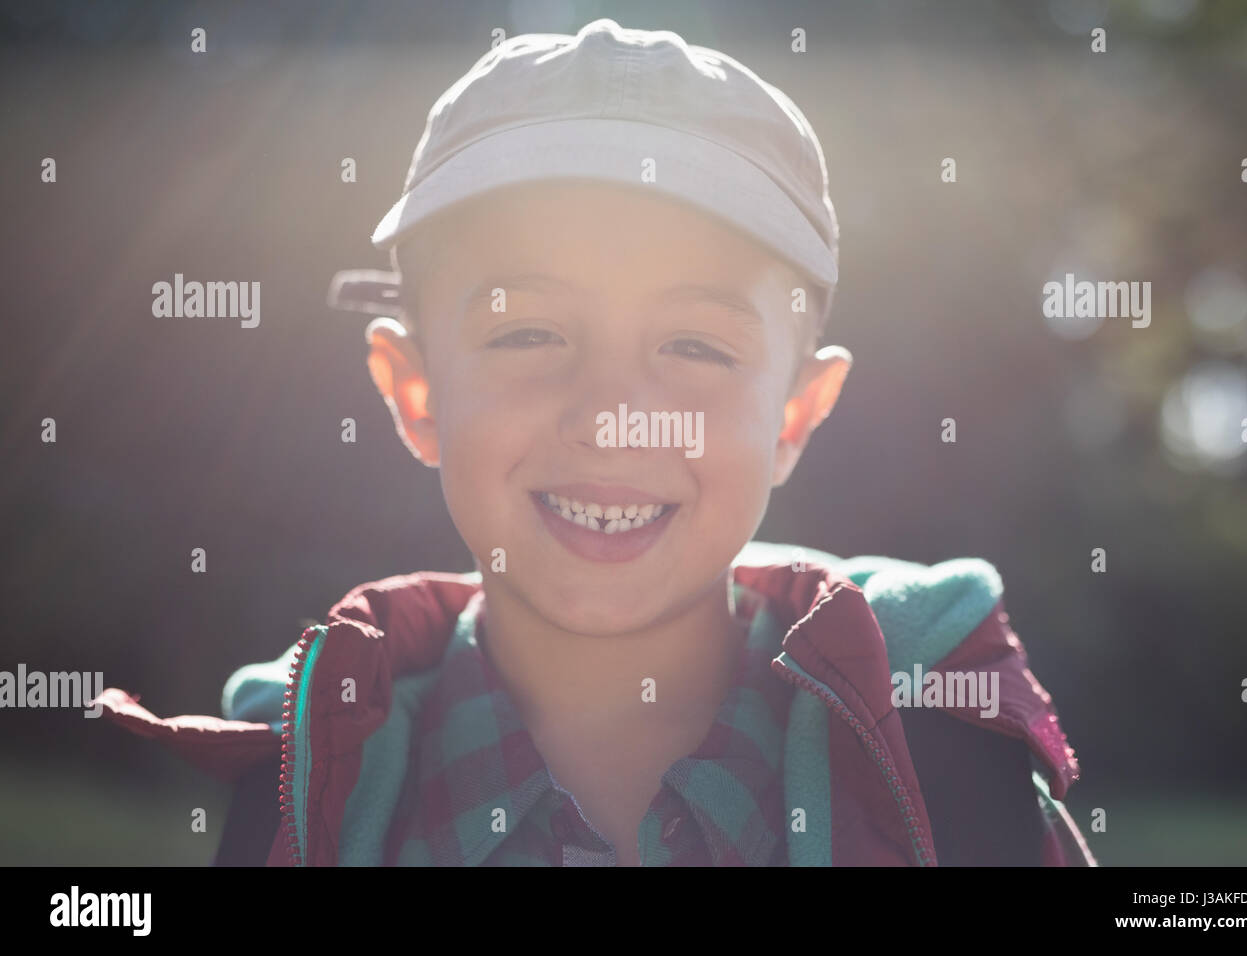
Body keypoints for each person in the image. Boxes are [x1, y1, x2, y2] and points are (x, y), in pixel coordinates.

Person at [95, 18, 1095, 867]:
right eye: (527, 332)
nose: (612, 413)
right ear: (414, 390)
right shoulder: (306, 788)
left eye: (695, 344)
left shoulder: (943, 770)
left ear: (796, 410)